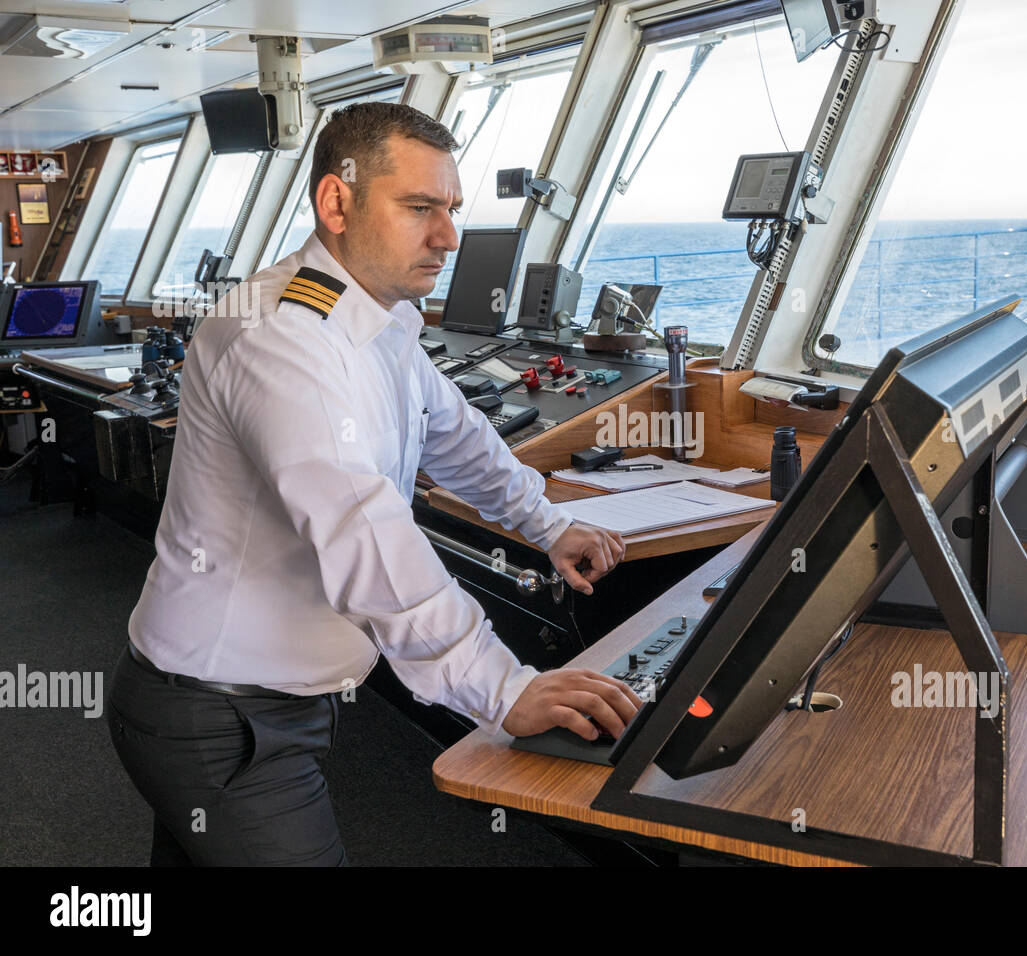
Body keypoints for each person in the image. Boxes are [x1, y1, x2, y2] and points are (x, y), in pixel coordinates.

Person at [107, 101, 640, 866]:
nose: (448, 237)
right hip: (219, 718)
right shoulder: (281, 338)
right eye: (420, 208)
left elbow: (455, 433)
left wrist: (547, 524)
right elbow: (363, 526)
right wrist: (503, 687)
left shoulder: (376, 321)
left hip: (256, 704)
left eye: (451, 209)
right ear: (337, 202)